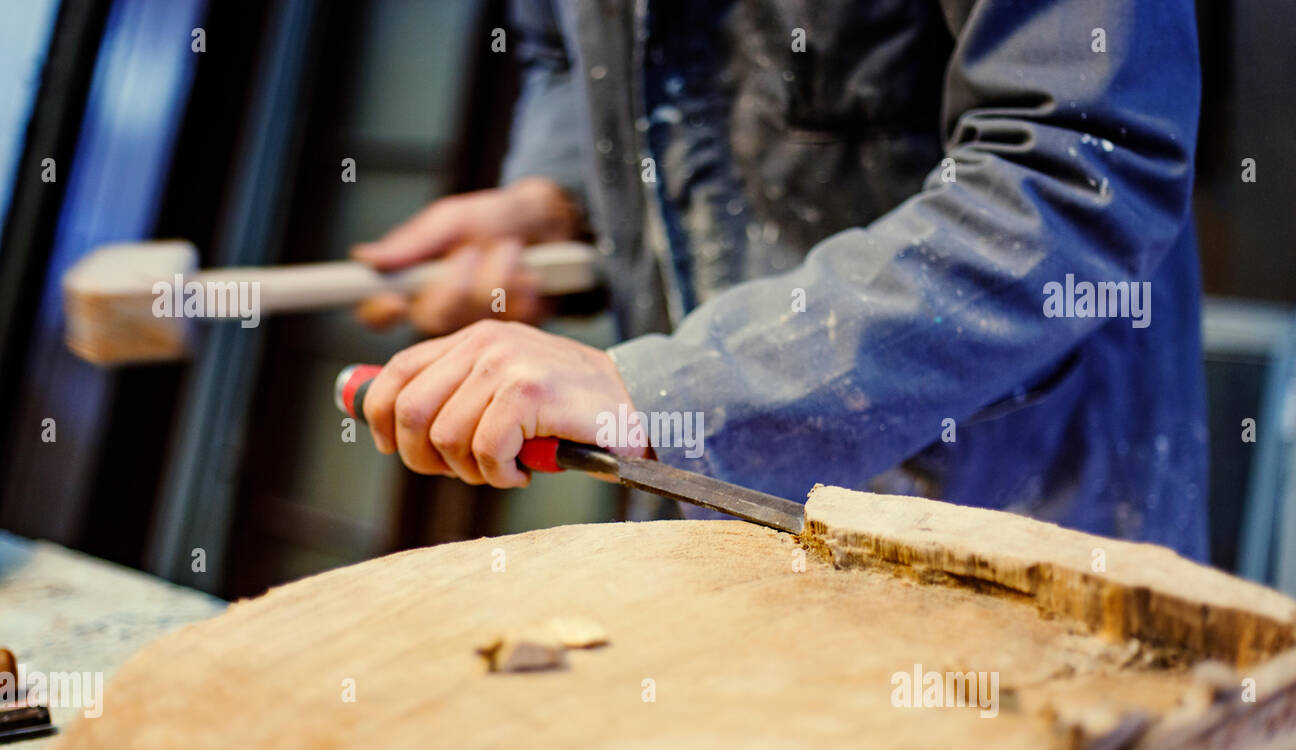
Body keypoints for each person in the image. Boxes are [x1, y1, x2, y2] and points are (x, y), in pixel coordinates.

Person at [351, 0, 1208, 559]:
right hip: (701, 513)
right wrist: (556, 194)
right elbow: (564, 53)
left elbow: (1078, 173)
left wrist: (673, 392)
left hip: (1013, 521)